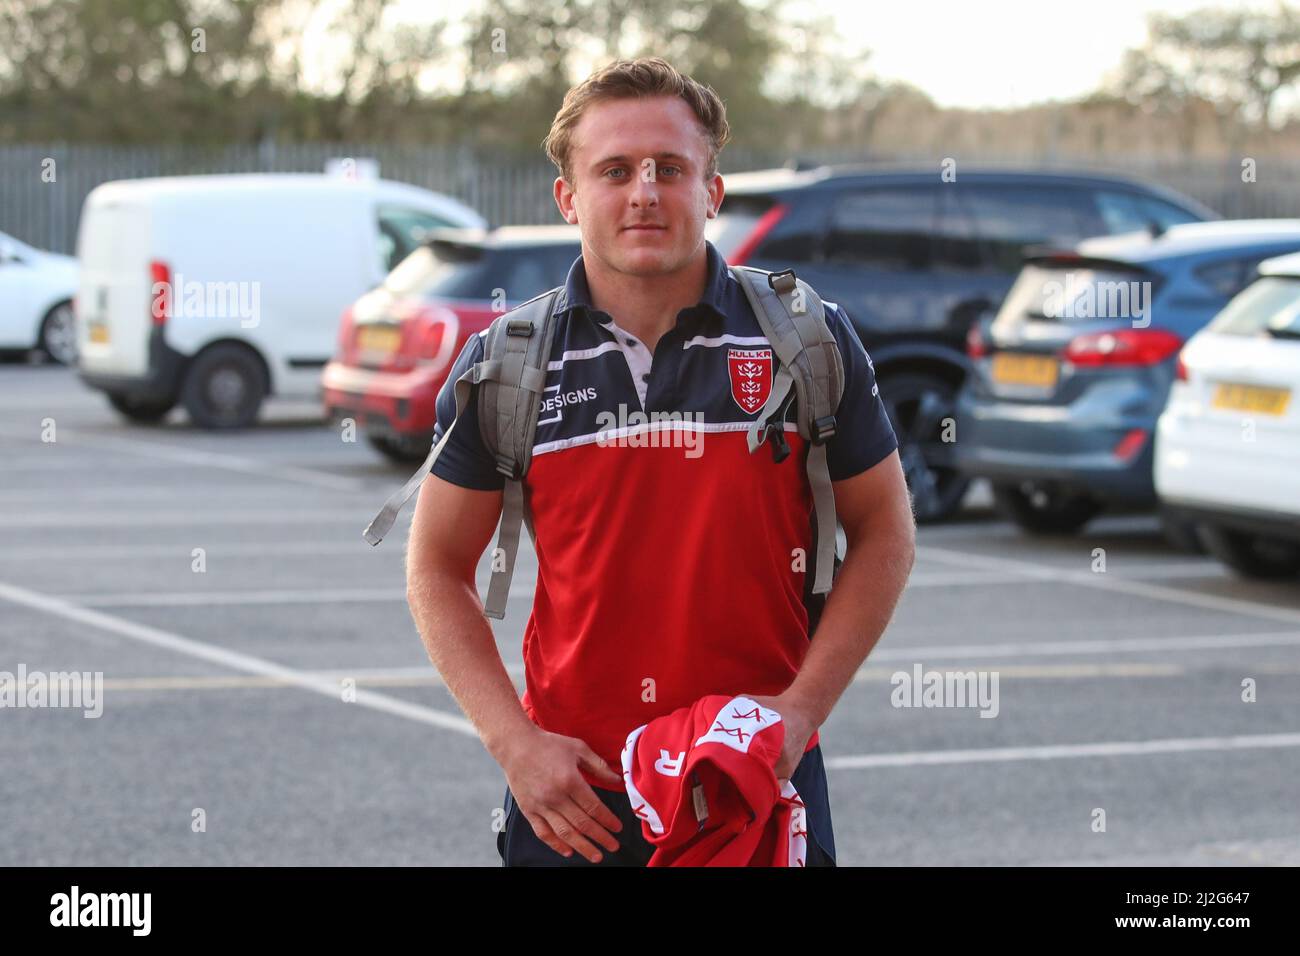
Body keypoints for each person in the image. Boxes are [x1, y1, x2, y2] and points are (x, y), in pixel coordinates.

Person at [404, 56, 916, 866]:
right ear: (568, 197)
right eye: (614, 170)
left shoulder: (804, 338)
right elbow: (436, 565)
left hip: (754, 779)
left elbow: (885, 531)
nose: (643, 191)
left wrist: (800, 712)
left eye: (669, 168)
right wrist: (515, 746)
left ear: (711, 191)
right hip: (575, 799)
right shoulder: (506, 363)